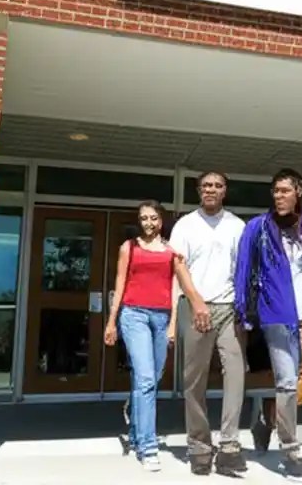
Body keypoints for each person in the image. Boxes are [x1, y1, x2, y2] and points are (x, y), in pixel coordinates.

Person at [234, 168, 302, 483]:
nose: (279, 196)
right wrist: (243, 308)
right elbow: (243, 269)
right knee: (287, 381)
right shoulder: (258, 228)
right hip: (276, 313)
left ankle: (267, 419)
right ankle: (291, 453)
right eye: (275, 191)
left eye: (285, 191)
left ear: (298, 193)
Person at [104, 201, 211, 472]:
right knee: (146, 379)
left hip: (161, 317)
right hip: (134, 315)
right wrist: (111, 321)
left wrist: (173, 324)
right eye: (144, 218)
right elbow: (119, 284)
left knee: (151, 378)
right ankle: (148, 447)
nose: (148, 223)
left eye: (153, 218)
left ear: (161, 221)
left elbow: (177, 290)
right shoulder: (129, 247)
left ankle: (136, 429)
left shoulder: (172, 253)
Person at [168, 171, 248, 476]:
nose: (211, 190)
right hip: (194, 307)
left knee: (236, 375)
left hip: (229, 308)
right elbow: (179, 266)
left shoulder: (237, 226)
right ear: (199, 191)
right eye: (205, 186)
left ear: (225, 191)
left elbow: (243, 268)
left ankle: (229, 446)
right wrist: (197, 301)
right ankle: (199, 447)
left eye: (216, 186)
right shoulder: (185, 225)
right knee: (194, 380)